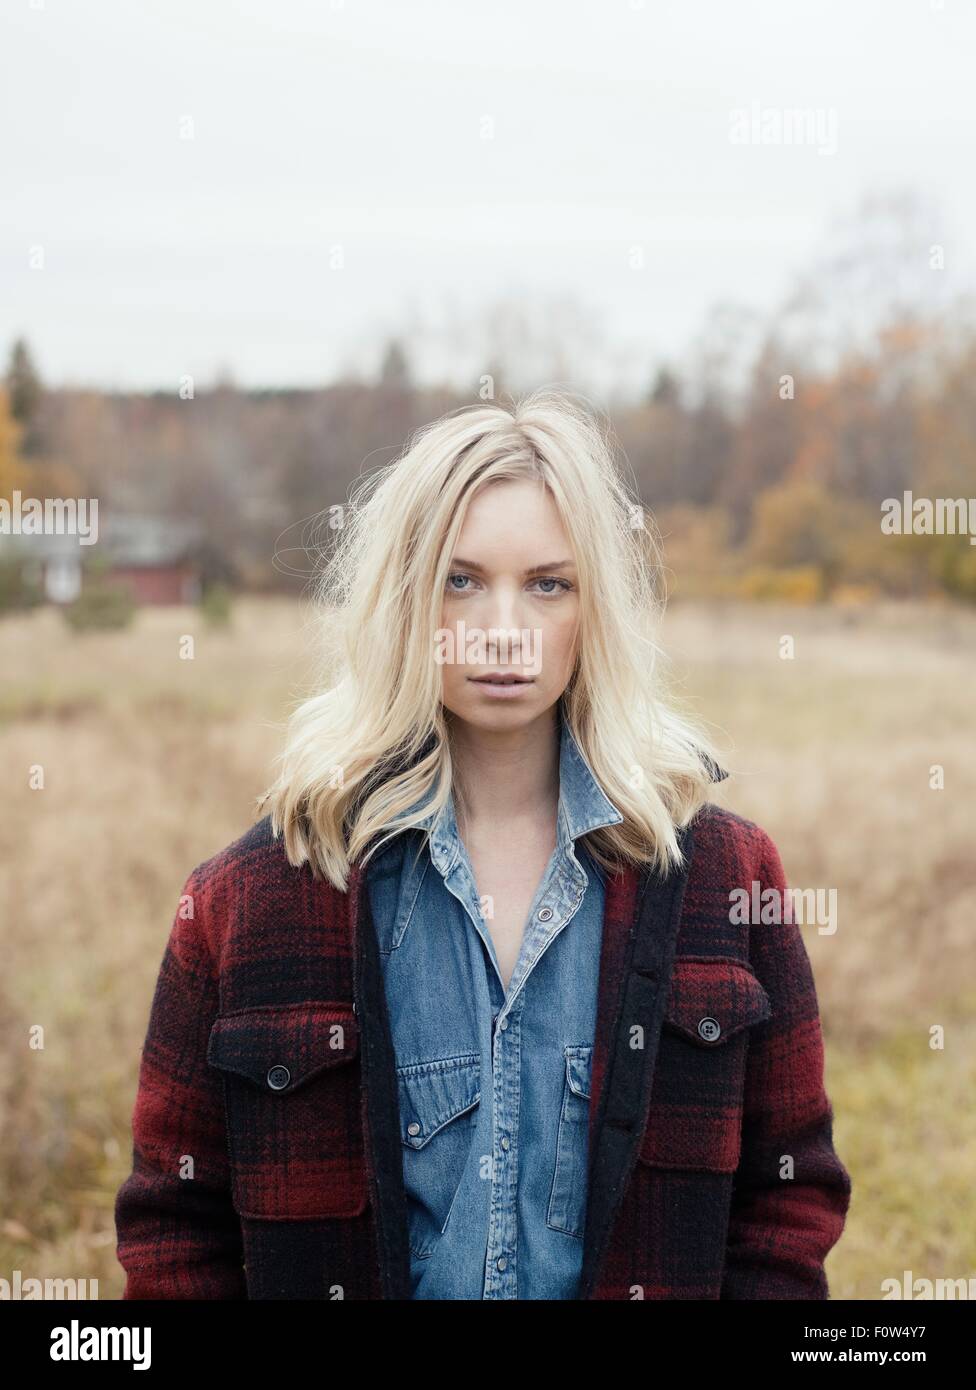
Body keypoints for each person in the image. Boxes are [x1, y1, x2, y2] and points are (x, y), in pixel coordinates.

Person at [115, 388, 851, 1299]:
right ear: (404, 602)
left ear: (598, 609)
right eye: (461, 581)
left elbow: (789, 1201)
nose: (505, 631)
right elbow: (174, 1233)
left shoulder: (724, 879)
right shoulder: (255, 898)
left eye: (549, 584)